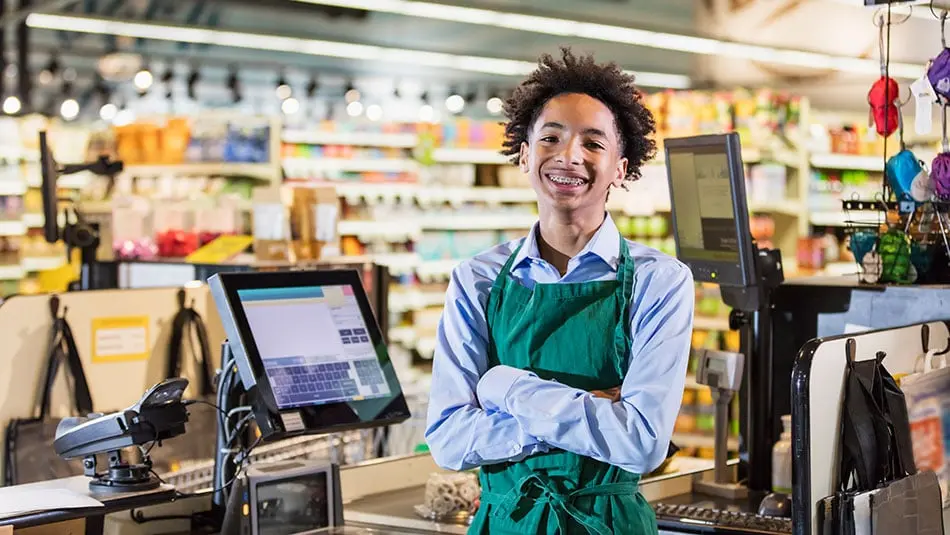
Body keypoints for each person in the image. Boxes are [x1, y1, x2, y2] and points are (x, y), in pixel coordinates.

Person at [425, 47, 695, 535]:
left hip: (608, 524)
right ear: (526, 155)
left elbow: (642, 444)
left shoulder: (660, 281)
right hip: (504, 522)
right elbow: (447, 439)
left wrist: (505, 387)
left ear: (620, 167)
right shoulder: (478, 279)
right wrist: (589, 412)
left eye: (594, 143)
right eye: (551, 137)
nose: (569, 155)